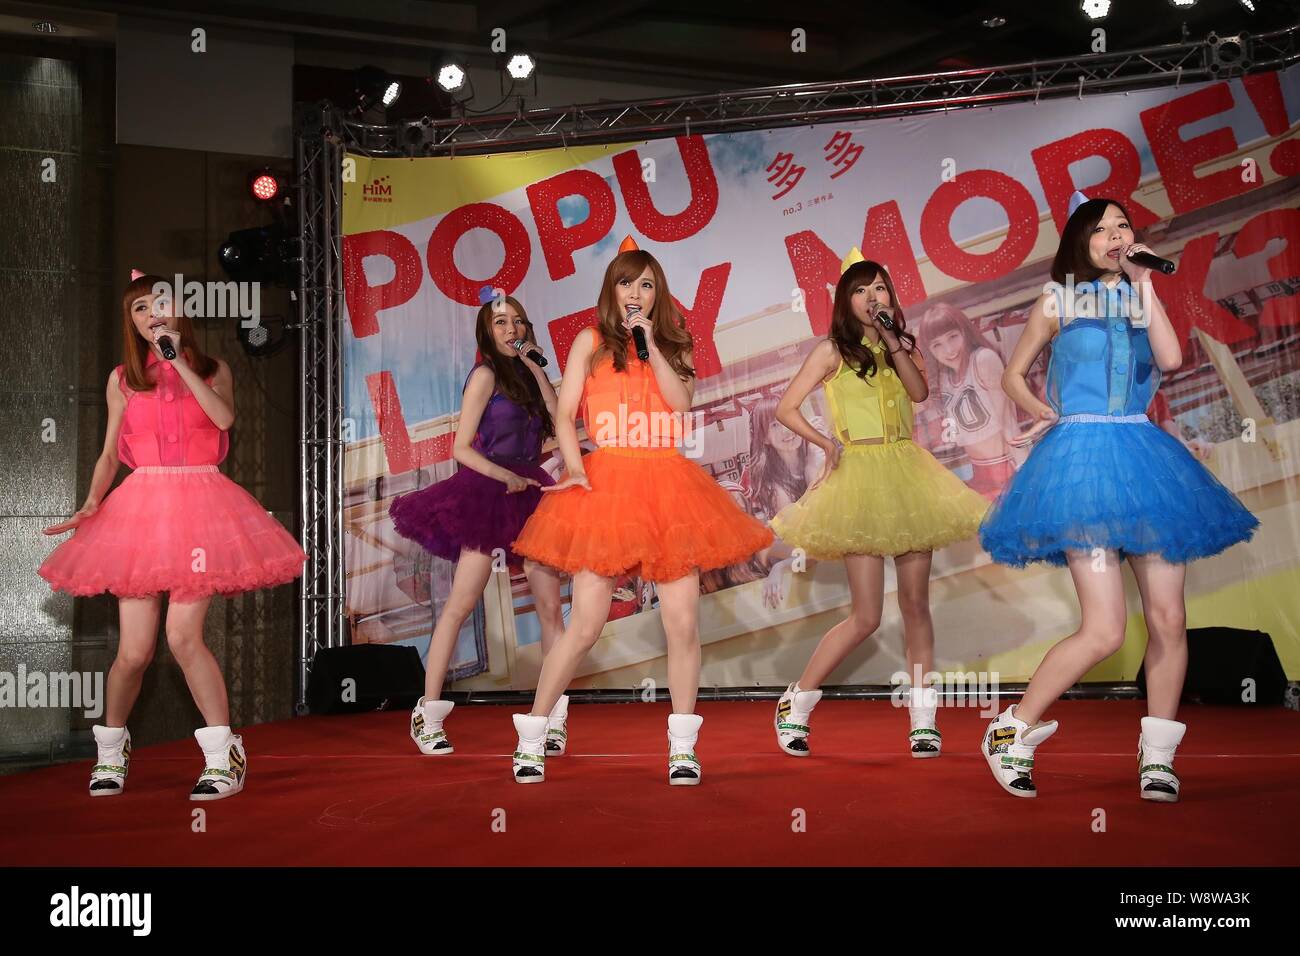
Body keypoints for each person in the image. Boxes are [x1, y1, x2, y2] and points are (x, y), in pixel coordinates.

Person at [978, 193, 1260, 800]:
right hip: (1082, 464)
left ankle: (1157, 757)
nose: (1114, 235)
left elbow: (1171, 357)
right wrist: (1047, 414)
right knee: (1104, 629)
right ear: (1079, 241)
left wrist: (1144, 284)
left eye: (1122, 226)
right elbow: (1012, 374)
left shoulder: (1140, 294)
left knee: (1169, 618)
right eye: (1101, 229)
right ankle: (1011, 729)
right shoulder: (1057, 298)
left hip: (1141, 458)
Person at [508, 236, 773, 785]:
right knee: (585, 624)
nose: (636, 292)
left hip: (668, 481)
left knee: (682, 621)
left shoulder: (674, 342)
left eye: (646, 284)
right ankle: (533, 733)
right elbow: (563, 412)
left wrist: (651, 344)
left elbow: (680, 404)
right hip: (607, 484)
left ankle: (682, 746)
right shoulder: (589, 341)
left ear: (658, 294)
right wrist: (575, 467)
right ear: (612, 289)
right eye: (627, 282)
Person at [39, 270, 307, 800]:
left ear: (179, 310)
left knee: (184, 637)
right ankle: (111, 755)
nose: (149, 315)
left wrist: (178, 362)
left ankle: (221, 756)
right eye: (138, 309)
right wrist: (92, 503)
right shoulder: (122, 379)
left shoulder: (213, 368)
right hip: (139, 513)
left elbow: (224, 419)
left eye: (157, 304)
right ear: (131, 322)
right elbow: (111, 451)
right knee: (134, 652)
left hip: (201, 511)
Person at [768, 251, 988, 760]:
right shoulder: (831, 351)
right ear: (846, 302)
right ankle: (796, 703)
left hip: (908, 475)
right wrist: (826, 445)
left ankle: (923, 717)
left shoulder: (901, 346)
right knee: (865, 616)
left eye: (880, 289)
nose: (872, 298)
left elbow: (918, 393)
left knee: (915, 603)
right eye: (861, 291)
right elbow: (786, 407)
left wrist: (893, 341)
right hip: (860, 479)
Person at [389, 288, 566, 756]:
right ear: (487, 333)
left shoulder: (530, 373)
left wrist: (535, 365)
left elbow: (557, 417)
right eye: (501, 323)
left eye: (518, 322)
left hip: (528, 489)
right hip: (487, 487)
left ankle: (549, 717)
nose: (512, 331)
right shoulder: (484, 375)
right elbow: (460, 447)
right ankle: (427, 713)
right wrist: (502, 475)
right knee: (461, 603)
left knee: (550, 606)